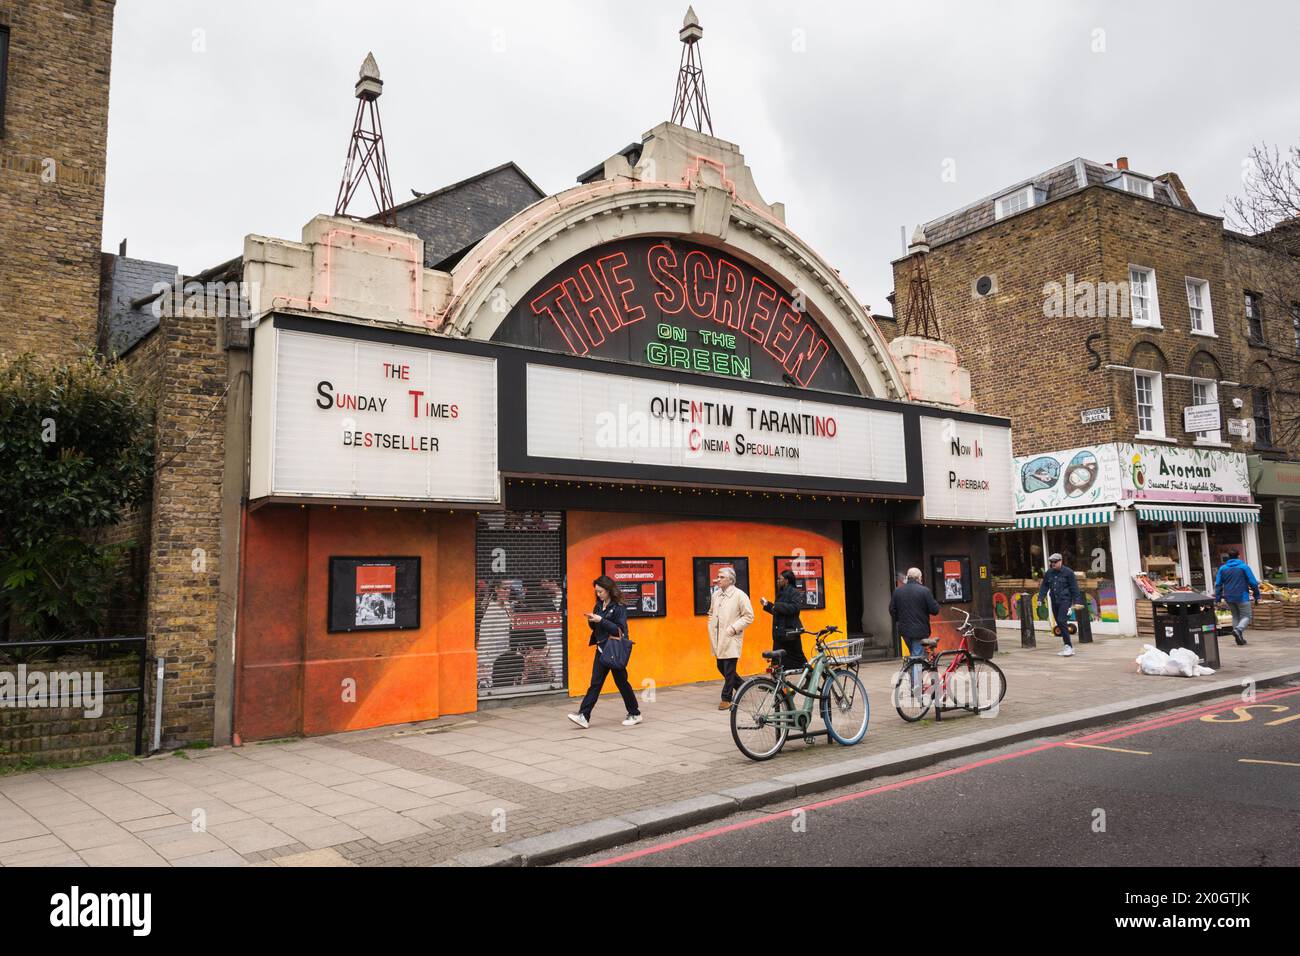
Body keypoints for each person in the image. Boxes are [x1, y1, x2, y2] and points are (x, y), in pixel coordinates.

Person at [568, 575, 642, 728]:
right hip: (601, 648)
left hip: (614, 649)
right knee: (595, 683)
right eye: (596, 591)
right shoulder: (598, 605)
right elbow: (597, 629)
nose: (598, 594)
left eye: (600, 591)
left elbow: (619, 630)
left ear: (608, 590)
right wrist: (592, 621)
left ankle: (634, 713)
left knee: (622, 683)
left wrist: (601, 620)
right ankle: (584, 716)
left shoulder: (619, 607)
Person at [708, 566, 754, 710]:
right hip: (717, 638)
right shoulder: (716, 595)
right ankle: (741, 685)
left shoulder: (740, 595)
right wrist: (710, 625)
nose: (718, 579)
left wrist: (733, 628)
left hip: (731, 637)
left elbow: (749, 616)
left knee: (728, 668)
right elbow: (711, 612)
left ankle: (726, 698)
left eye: (721, 577)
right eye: (718, 576)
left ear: (730, 579)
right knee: (720, 666)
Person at [889, 567, 940, 687]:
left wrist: (900, 620)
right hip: (920, 631)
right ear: (919, 578)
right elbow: (935, 610)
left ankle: (916, 680)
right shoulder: (924, 591)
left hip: (904, 631)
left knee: (915, 656)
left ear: (908, 577)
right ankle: (916, 687)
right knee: (917, 658)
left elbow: (892, 610)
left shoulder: (898, 591)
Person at [760, 569, 808, 673]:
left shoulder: (795, 592)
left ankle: (810, 676)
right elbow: (778, 612)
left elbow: (794, 608)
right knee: (777, 660)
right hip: (780, 632)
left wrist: (776, 606)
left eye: (779, 579)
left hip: (790, 632)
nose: (777, 580)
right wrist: (767, 605)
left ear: (786, 580)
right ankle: (775, 684)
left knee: (799, 658)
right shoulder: (780, 592)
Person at [1038, 553, 1083, 657]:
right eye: (1051, 562)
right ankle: (1068, 646)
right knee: (1059, 622)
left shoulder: (1068, 572)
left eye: (1055, 562)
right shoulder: (1049, 573)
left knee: (1062, 620)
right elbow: (1044, 586)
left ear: (1061, 561)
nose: (1053, 564)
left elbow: (1074, 588)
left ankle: (1068, 646)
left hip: (1065, 600)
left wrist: (1077, 601)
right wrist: (1041, 598)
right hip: (1054, 600)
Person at [1214, 548, 1260, 646]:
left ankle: (1239, 637)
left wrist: (1217, 598)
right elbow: (1253, 582)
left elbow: (1218, 584)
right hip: (1242, 596)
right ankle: (1238, 630)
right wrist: (1257, 595)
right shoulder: (1244, 567)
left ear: (1228, 557)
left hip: (1229, 597)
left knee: (1235, 616)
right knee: (1247, 616)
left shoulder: (1223, 568)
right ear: (1238, 556)